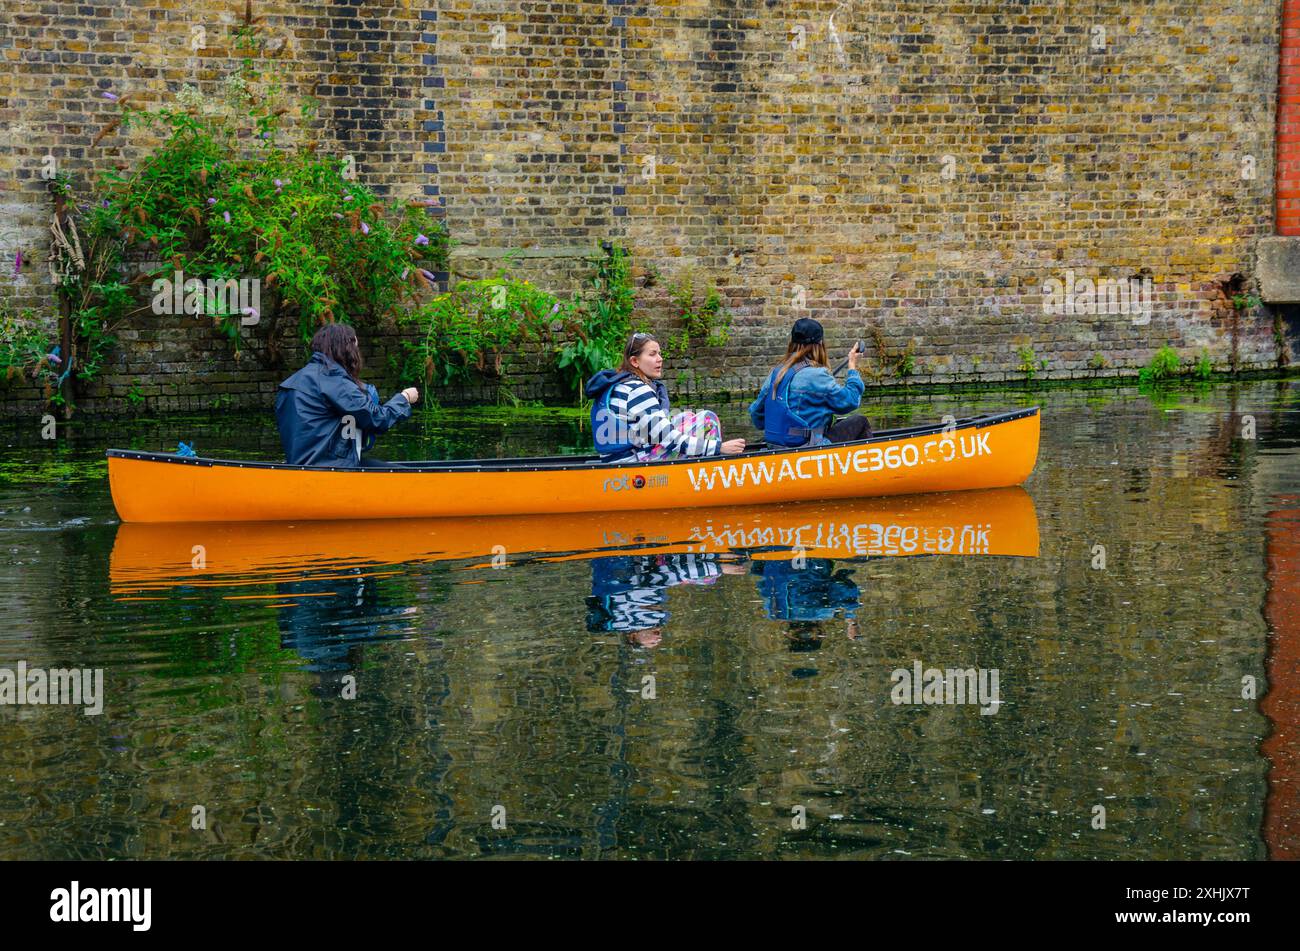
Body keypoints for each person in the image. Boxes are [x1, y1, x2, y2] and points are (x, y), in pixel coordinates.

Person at [584, 332, 746, 463]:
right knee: (708, 420)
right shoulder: (636, 389)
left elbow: (655, 431)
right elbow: (668, 438)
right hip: (631, 462)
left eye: (659, 354)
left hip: (619, 457)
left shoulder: (620, 383)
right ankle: (709, 476)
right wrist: (719, 447)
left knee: (689, 417)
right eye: (652, 354)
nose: (660, 359)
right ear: (634, 361)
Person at [275, 323, 419, 467]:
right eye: (355, 346)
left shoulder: (291, 382)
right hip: (332, 468)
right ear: (346, 348)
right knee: (411, 478)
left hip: (299, 467)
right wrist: (404, 398)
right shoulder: (333, 380)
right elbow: (377, 419)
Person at [748, 317, 872, 447]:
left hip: (775, 446)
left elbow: (756, 416)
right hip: (807, 447)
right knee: (860, 421)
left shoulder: (777, 373)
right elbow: (850, 401)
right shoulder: (817, 375)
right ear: (819, 345)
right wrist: (852, 365)